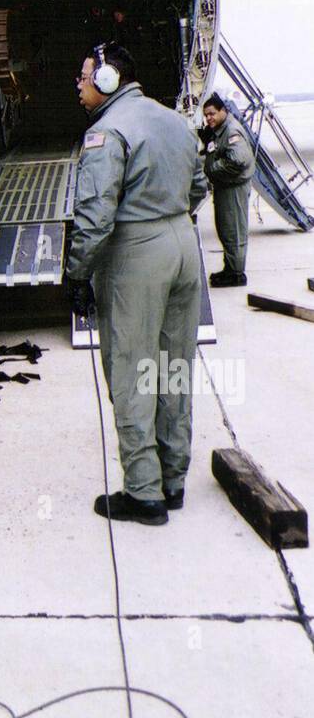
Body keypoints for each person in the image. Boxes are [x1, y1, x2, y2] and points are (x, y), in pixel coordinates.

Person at [65, 43, 208, 526]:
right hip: (184, 247)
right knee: (174, 368)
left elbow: (95, 216)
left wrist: (77, 273)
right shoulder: (175, 121)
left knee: (131, 369)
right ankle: (173, 481)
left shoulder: (106, 132)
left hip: (137, 253)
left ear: (108, 80)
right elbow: (199, 187)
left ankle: (144, 494)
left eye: (84, 77)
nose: (79, 85)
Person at [200, 92, 255, 287]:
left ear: (223, 111)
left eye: (212, 114)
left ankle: (236, 274)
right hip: (225, 187)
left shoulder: (231, 131)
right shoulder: (220, 130)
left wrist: (211, 169)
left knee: (233, 231)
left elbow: (239, 160)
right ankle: (230, 268)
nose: (209, 118)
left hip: (233, 188)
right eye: (206, 115)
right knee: (225, 229)